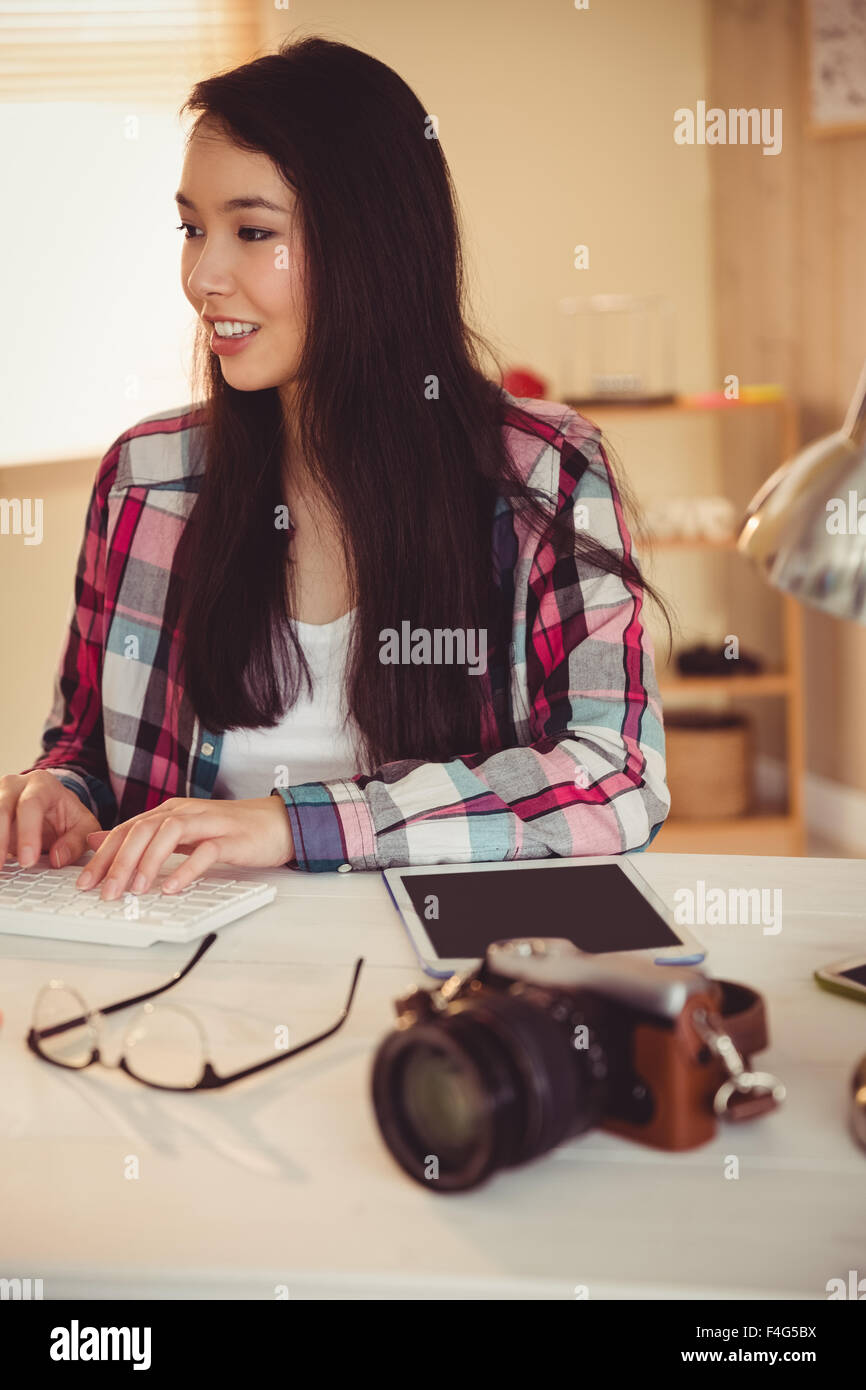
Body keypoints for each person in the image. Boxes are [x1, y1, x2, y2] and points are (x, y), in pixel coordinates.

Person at [1, 36, 672, 901]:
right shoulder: (142, 477)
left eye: (252, 232)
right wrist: (56, 793)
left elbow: (612, 777)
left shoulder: (544, 473)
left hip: (446, 990)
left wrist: (291, 823)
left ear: (372, 246)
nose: (203, 274)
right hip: (189, 979)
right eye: (193, 229)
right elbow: (87, 746)